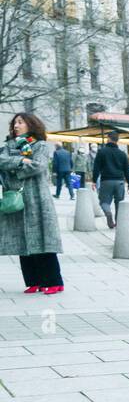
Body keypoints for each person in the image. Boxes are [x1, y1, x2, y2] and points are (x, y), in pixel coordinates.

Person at [2, 113, 65, 294]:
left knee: (42, 238)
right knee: (23, 239)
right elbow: (1, 160)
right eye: (14, 123)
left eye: (20, 122)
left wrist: (13, 167)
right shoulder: (8, 146)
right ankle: (34, 281)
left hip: (37, 198)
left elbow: (37, 166)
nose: (16, 125)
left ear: (31, 125)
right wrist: (21, 160)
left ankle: (54, 281)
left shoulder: (41, 145)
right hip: (16, 198)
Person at [91, 130, 129, 228]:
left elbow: (96, 167)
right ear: (117, 140)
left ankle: (108, 213)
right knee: (119, 203)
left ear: (108, 139)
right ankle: (118, 223)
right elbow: (127, 169)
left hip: (106, 181)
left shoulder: (102, 152)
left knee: (104, 202)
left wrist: (94, 181)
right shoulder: (122, 154)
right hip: (120, 182)